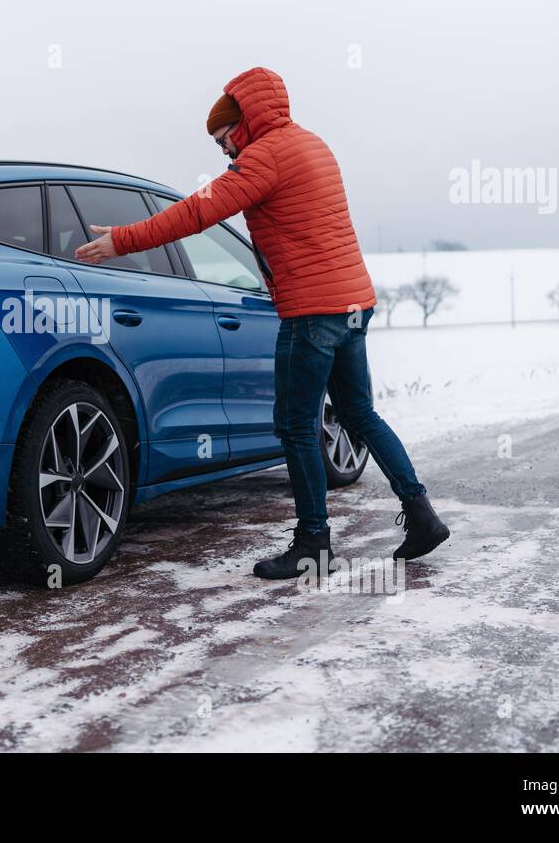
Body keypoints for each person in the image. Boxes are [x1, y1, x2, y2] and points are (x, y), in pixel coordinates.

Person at [74, 67, 449, 579]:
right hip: (353, 303)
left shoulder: (264, 158)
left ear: (246, 122)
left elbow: (196, 213)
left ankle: (314, 543)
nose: (225, 152)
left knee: (295, 427)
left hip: (312, 310)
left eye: (225, 139)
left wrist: (123, 241)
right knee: (359, 414)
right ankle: (422, 515)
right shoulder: (311, 144)